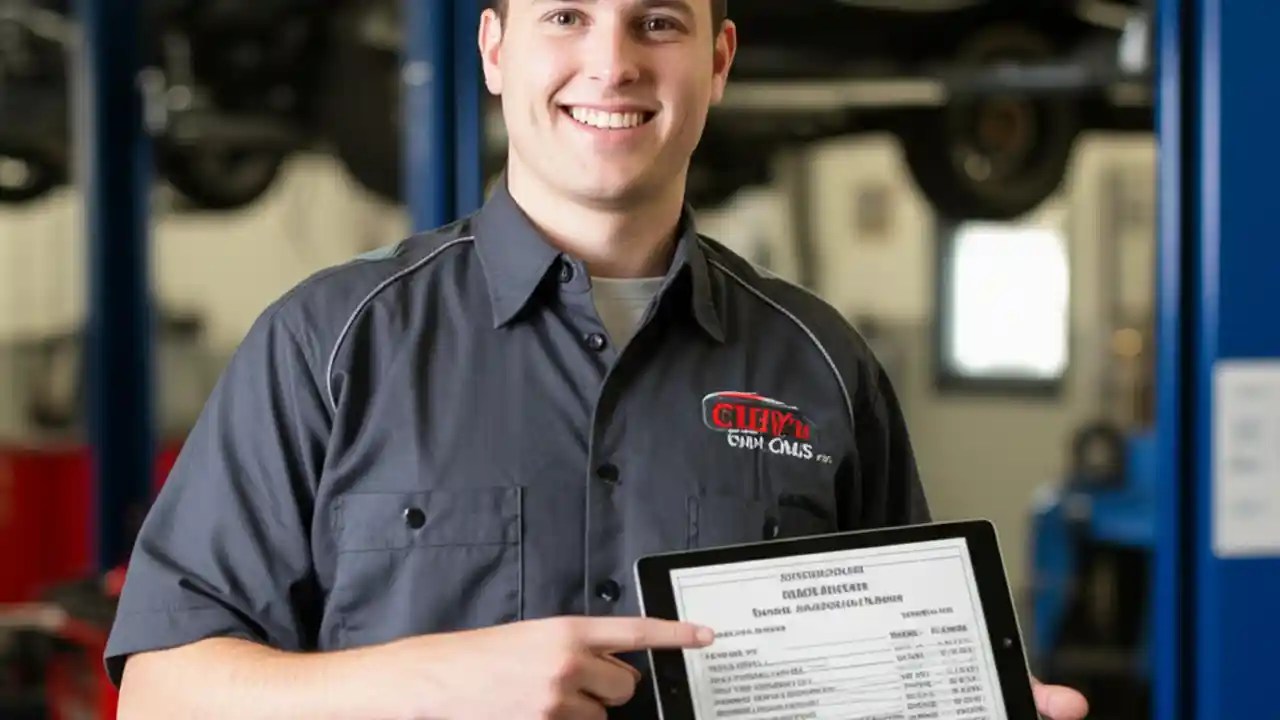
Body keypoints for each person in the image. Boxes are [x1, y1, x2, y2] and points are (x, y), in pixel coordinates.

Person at [106, 1, 1090, 718]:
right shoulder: (331, 343)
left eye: (656, 22)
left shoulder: (819, 366)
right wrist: (429, 685)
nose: (610, 63)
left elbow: (887, 683)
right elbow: (161, 691)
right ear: (493, 50)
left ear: (718, 58)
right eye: (566, 17)